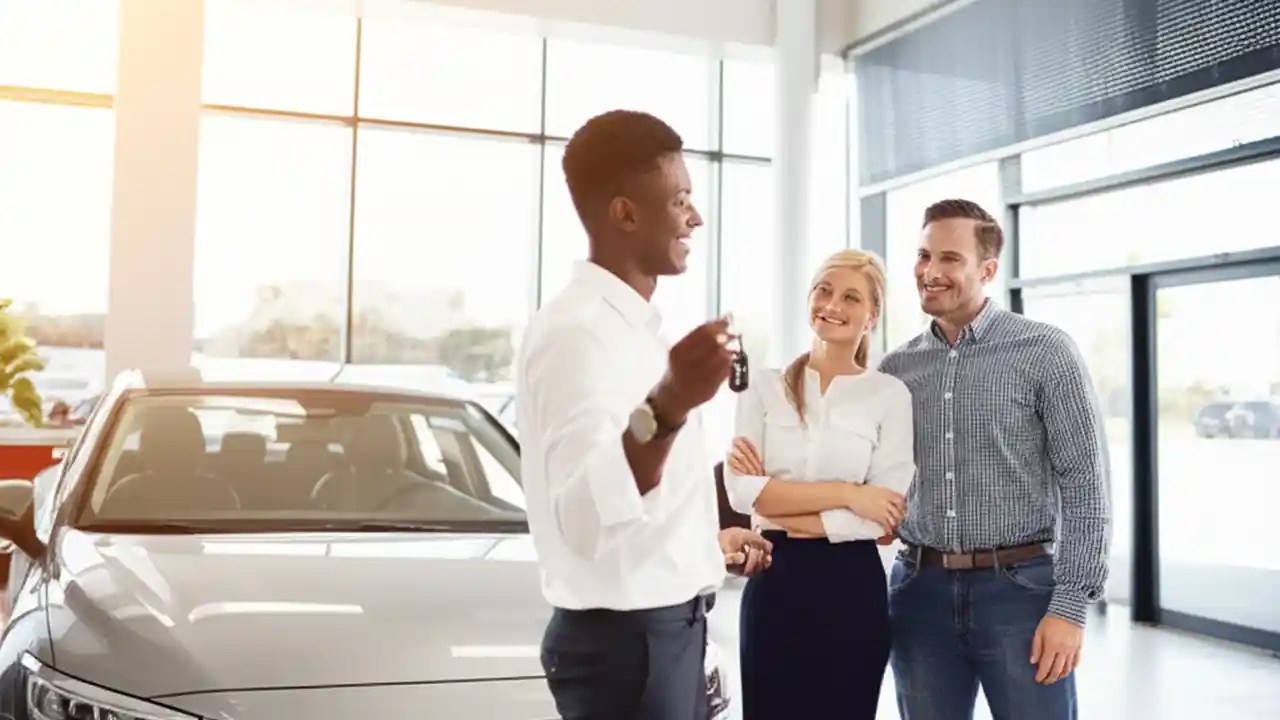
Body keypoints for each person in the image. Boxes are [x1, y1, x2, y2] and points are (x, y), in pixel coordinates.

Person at [515, 109, 774, 720]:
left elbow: (634, 511)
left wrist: (707, 549)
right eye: (680, 198)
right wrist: (670, 402)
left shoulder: (632, 331)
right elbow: (583, 515)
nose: (696, 217)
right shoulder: (577, 334)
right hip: (628, 649)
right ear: (626, 213)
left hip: (664, 634)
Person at [879, 199, 1111, 720]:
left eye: (949, 259)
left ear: (987, 270)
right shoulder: (896, 368)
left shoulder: (1046, 352)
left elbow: (1086, 485)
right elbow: (878, 477)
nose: (930, 272)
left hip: (1021, 593)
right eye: (922, 255)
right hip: (919, 592)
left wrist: (1070, 607)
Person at [723, 249, 916, 720]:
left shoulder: (889, 396)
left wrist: (776, 511)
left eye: (851, 297)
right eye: (824, 290)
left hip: (851, 589)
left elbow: (883, 514)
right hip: (775, 582)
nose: (833, 304)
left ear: (871, 316)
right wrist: (851, 494)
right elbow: (742, 493)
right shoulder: (762, 389)